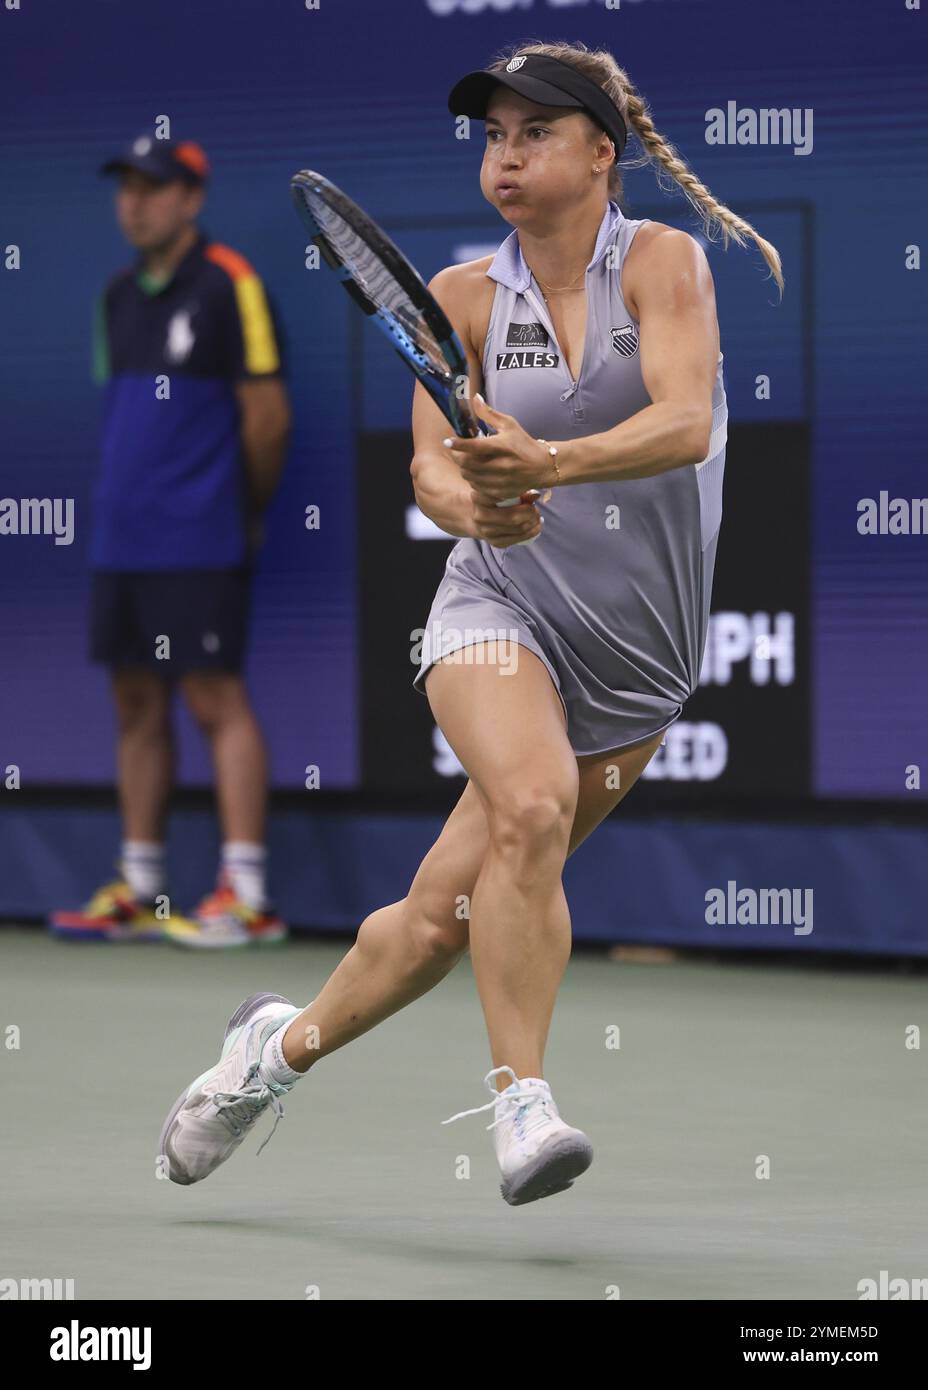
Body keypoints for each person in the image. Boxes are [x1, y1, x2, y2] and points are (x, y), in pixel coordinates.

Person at [158, 43, 783, 1204]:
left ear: (601, 153)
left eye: (535, 131)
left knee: (442, 918)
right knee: (533, 803)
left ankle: (266, 1055)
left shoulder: (663, 264)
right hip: (496, 615)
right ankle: (522, 1105)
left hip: (640, 666)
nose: (507, 153)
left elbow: (687, 418)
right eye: (495, 134)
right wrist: (481, 507)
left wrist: (550, 459)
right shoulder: (456, 299)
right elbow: (431, 478)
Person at [50, 135, 292, 948]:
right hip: (123, 537)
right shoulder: (115, 296)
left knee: (213, 697)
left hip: (203, 532)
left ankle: (247, 895)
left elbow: (266, 415)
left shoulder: (231, 282)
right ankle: (142, 886)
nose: (135, 202)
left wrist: (238, 507)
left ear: (191, 198)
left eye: (153, 189)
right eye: (126, 188)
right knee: (134, 701)